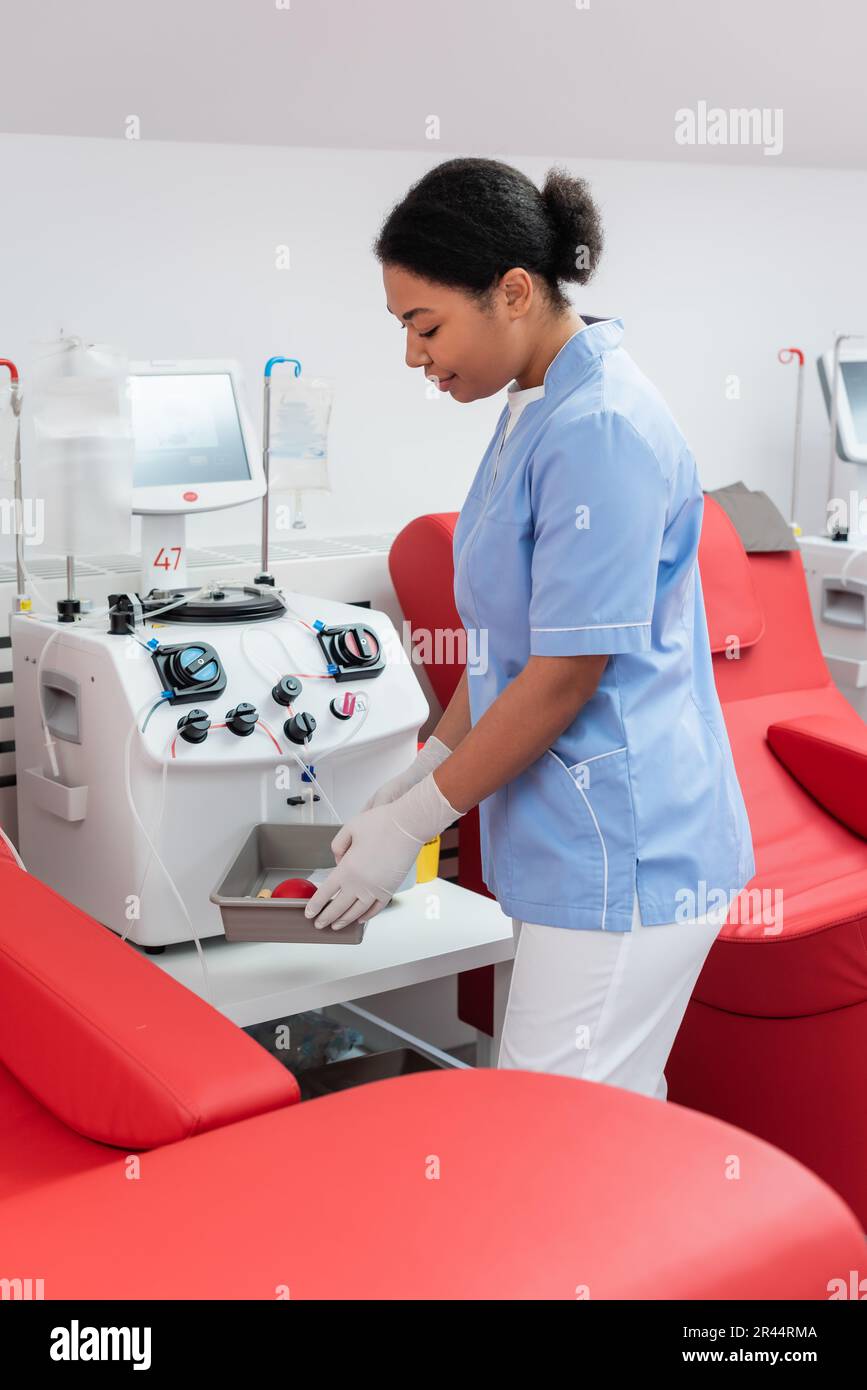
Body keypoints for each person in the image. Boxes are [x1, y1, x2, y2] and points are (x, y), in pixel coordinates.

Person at [304, 157, 755, 1100]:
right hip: (576, 844)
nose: (413, 356)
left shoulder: (601, 427)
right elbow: (505, 642)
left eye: (425, 325)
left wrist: (422, 820)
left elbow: (562, 673)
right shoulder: (533, 407)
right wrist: (423, 768)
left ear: (512, 291)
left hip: (629, 854)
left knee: (552, 1135)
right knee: (598, 1121)